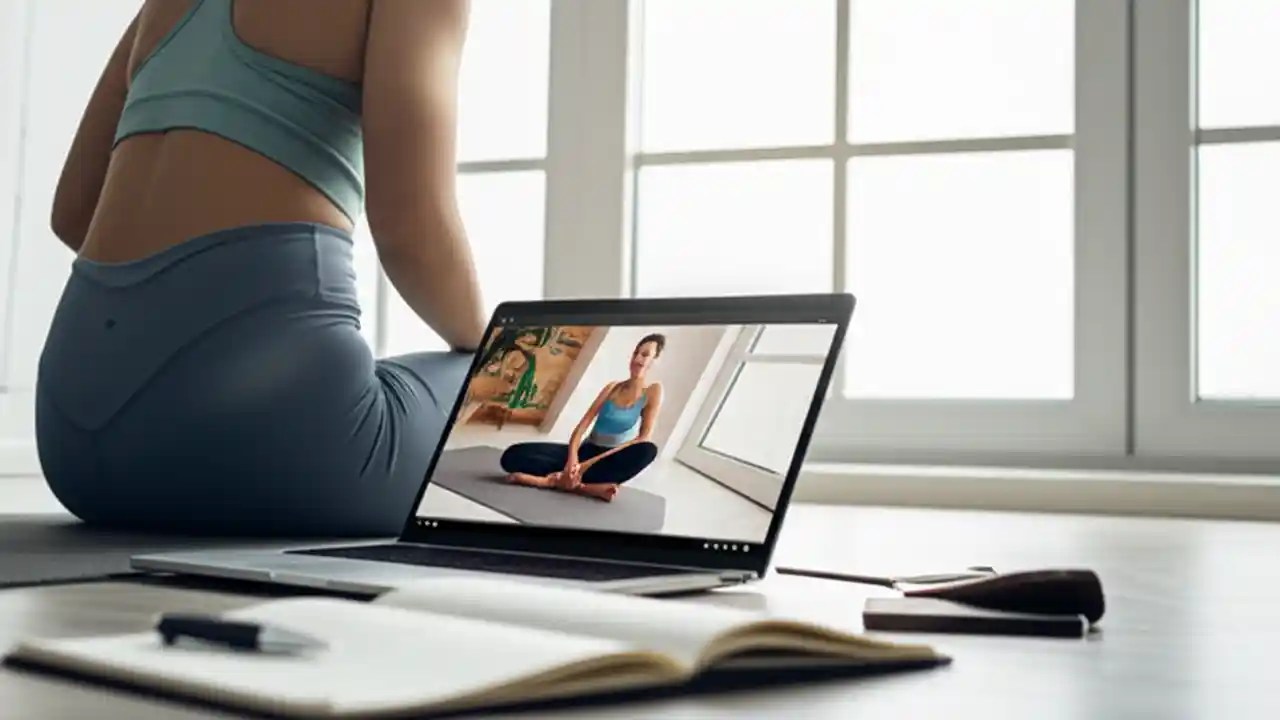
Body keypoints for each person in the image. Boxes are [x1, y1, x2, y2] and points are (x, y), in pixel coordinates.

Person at [35, 0, 485, 536]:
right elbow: (411, 229)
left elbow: (73, 213)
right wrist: (492, 345)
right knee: (496, 388)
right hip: (268, 445)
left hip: (77, 442)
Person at [500, 334, 666, 503]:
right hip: (586, 450)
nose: (637, 358)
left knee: (648, 450)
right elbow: (581, 427)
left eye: (645, 355)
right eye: (636, 353)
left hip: (608, 459)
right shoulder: (612, 388)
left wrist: (584, 466)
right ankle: (582, 487)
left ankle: (553, 481)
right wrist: (573, 460)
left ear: (655, 361)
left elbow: (642, 438)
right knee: (511, 455)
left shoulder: (653, 391)